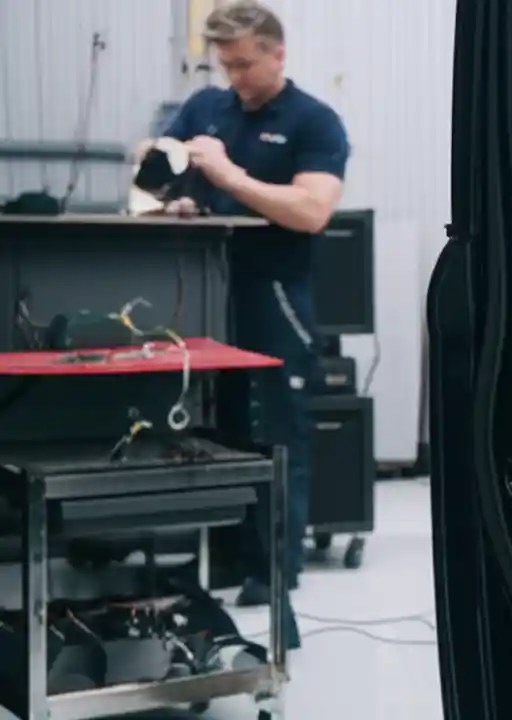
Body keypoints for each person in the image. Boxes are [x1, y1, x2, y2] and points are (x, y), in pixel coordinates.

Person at [159, 0, 350, 623]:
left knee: (274, 433)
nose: (235, 77)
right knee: (212, 429)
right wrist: (172, 198)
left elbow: (311, 211)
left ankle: (272, 570)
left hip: (273, 294)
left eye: (245, 64)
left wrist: (229, 176)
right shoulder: (204, 108)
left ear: (277, 53)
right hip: (202, 292)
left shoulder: (314, 122)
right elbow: (158, 173)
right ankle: (216, 561)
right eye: (226, 65)